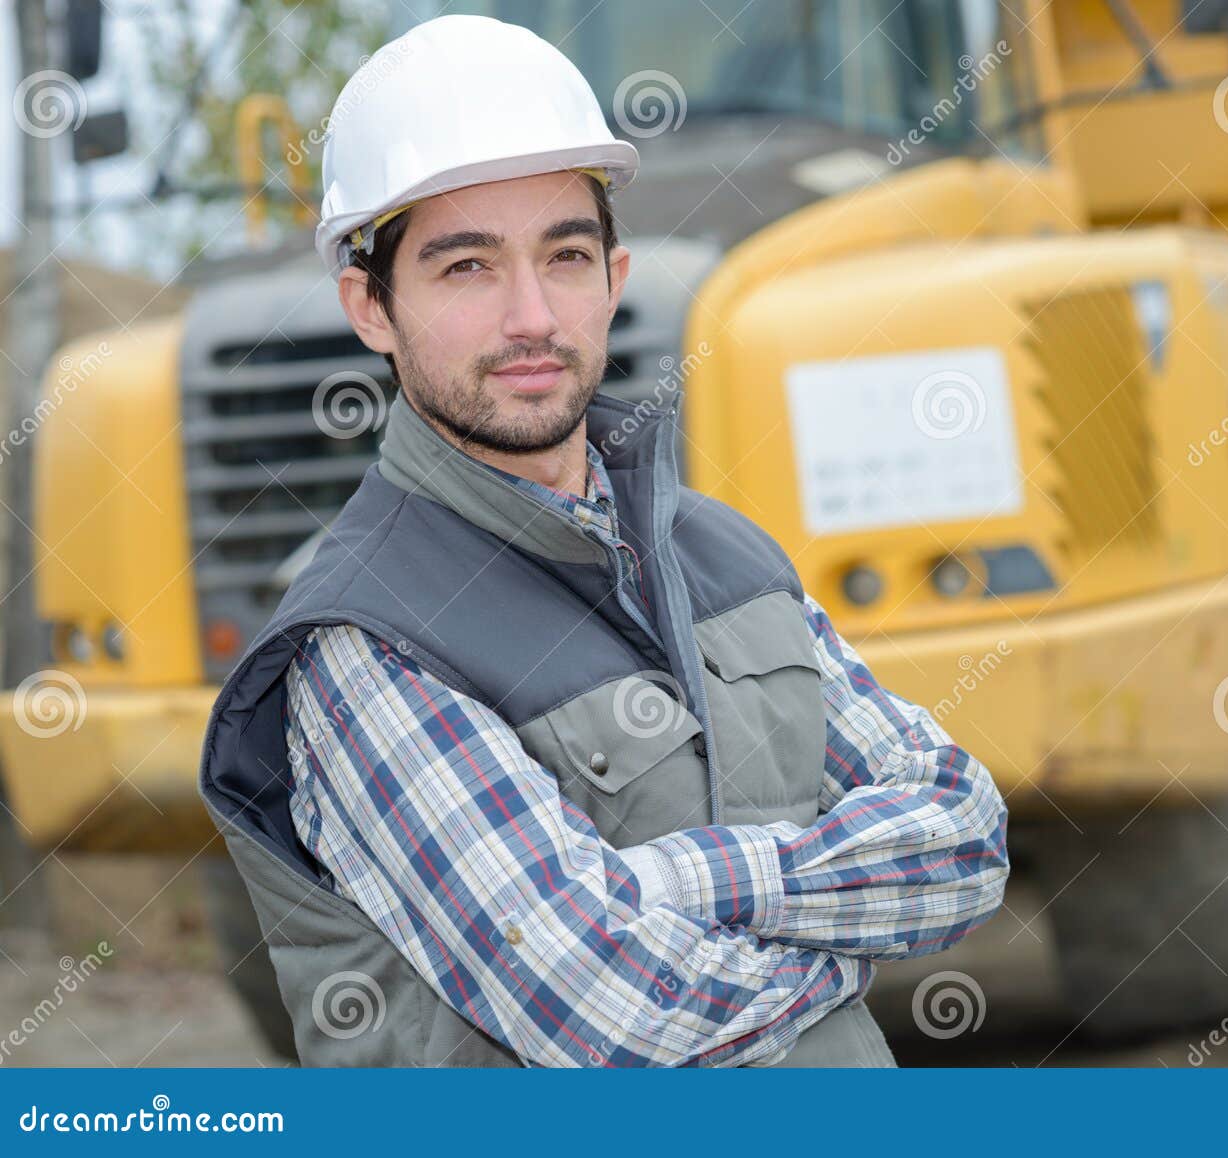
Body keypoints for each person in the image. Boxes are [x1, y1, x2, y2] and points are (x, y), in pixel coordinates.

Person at [197, 13, 1008, 1068]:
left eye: (564, 257)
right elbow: (610, 1016)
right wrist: (846, 949)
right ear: (371, 307)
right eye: (466, 269)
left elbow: (963, 836)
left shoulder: (724, 556)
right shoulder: (367, 640)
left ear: (613, 279)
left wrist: (675, 887)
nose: (531, 315)